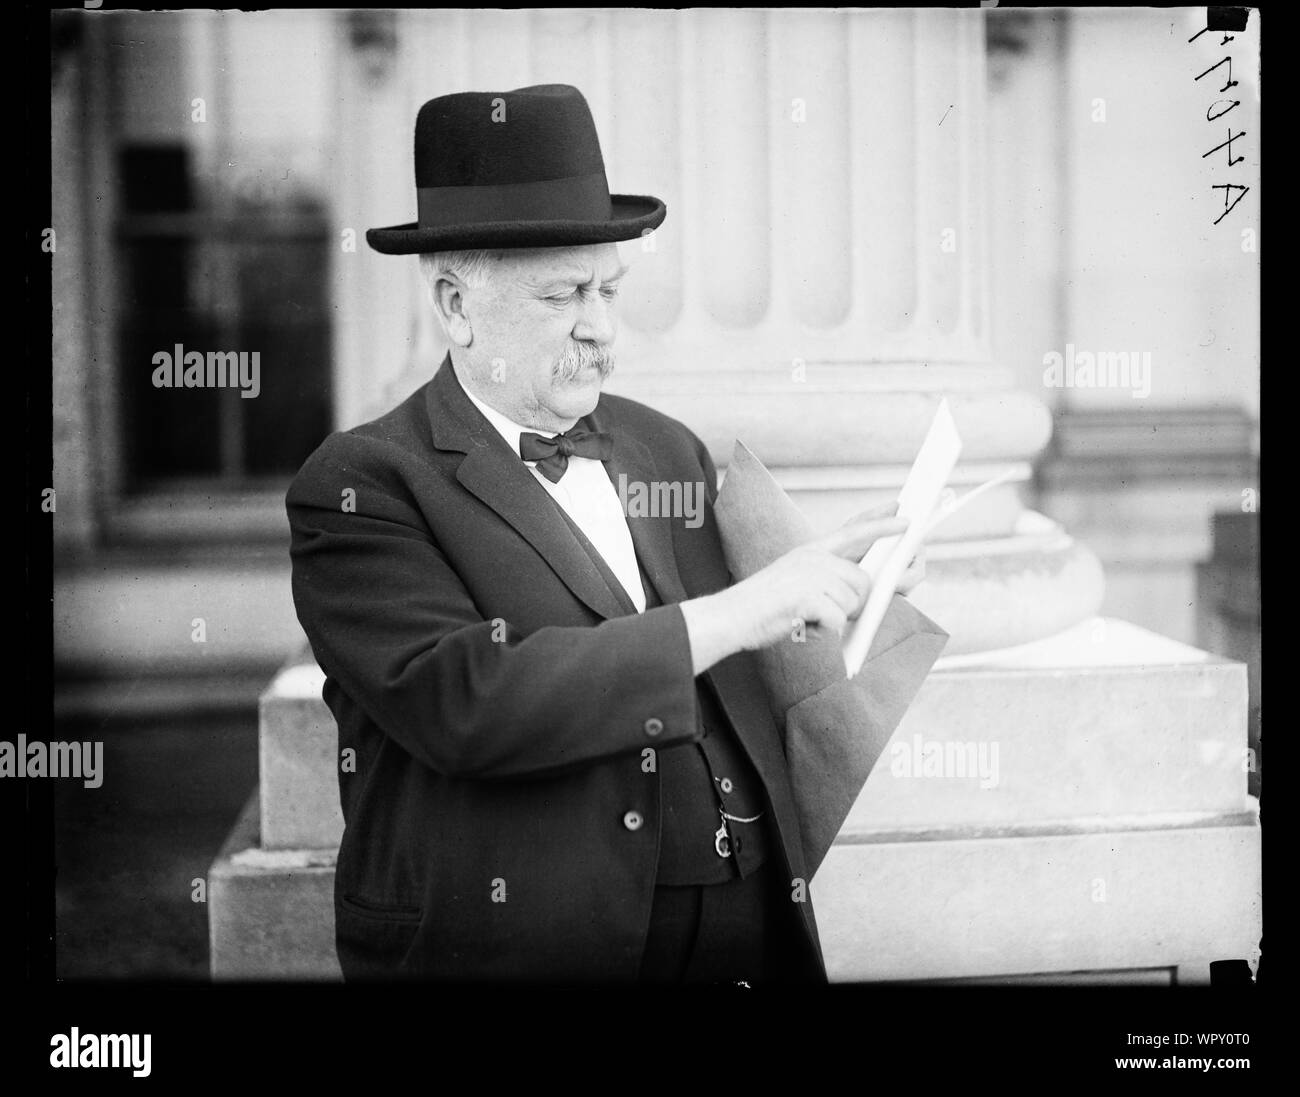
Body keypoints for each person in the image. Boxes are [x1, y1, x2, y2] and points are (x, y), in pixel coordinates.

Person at [287, 84, 931, 982]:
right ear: (455, 305)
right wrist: (746, 608)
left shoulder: (660, 444)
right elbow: (468, 703)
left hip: (744, 932)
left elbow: (728, 658)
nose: (602, 327)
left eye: (609, 288)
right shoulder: (361, 484)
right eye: (564, 295)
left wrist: (818, 579)